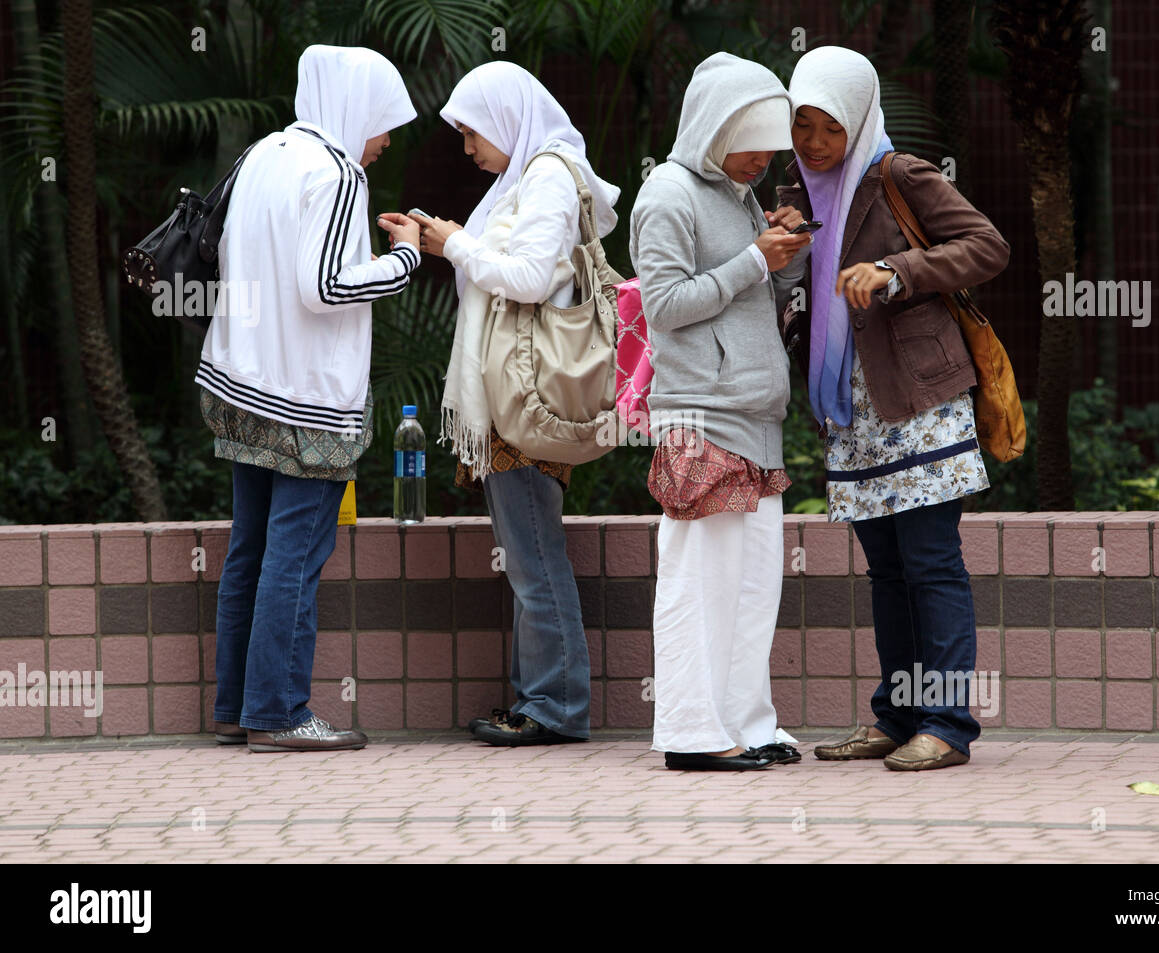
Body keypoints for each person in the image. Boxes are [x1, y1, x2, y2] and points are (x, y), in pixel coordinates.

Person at [773, 46, 1009, 771]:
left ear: (860, 119)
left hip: (919, 402)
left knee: (932, 563)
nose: (814, 143)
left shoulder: (898, 173)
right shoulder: (800, 188)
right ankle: (897, 714)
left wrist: (896, 272)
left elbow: (986, 245)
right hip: (851, 412)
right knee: (886, 570)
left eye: (829, 128)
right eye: (802, 124)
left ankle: (946, 723)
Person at [198, 45, 421, 752]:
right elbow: (324, 286)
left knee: (250, 548)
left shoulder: (265, 152)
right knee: (293, 553)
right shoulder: (336, 173)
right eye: (384, 123)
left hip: (241, 381)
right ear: (355, 110)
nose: (385, 141)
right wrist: (405, 260)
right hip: (306, 400)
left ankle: (238, 705)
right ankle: (280, 710)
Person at [412, 61, 621, 746]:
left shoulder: (550, 175)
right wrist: (451, 242)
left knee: (534, 556)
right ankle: (538, 700)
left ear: (507, 118)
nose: (468, 147)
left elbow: (530, 278)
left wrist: (455, 244)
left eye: (473, 132)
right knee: (530, 553)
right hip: (515, 382)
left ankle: (554, 706)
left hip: (530, 388)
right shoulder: (525, 176)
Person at [630, 52, 812, 771]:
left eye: (772, 142)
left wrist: (784, 249)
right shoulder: (667, 194)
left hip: (754, 413)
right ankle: (691, 733)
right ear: (712, 128)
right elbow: (667, 306)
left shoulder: (736, 194)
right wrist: (755, 262)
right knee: (696, 583)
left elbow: (757, 287)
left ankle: (747, 722)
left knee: (750, 584)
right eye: (753, 142)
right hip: (701, 414)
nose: (764, 158)